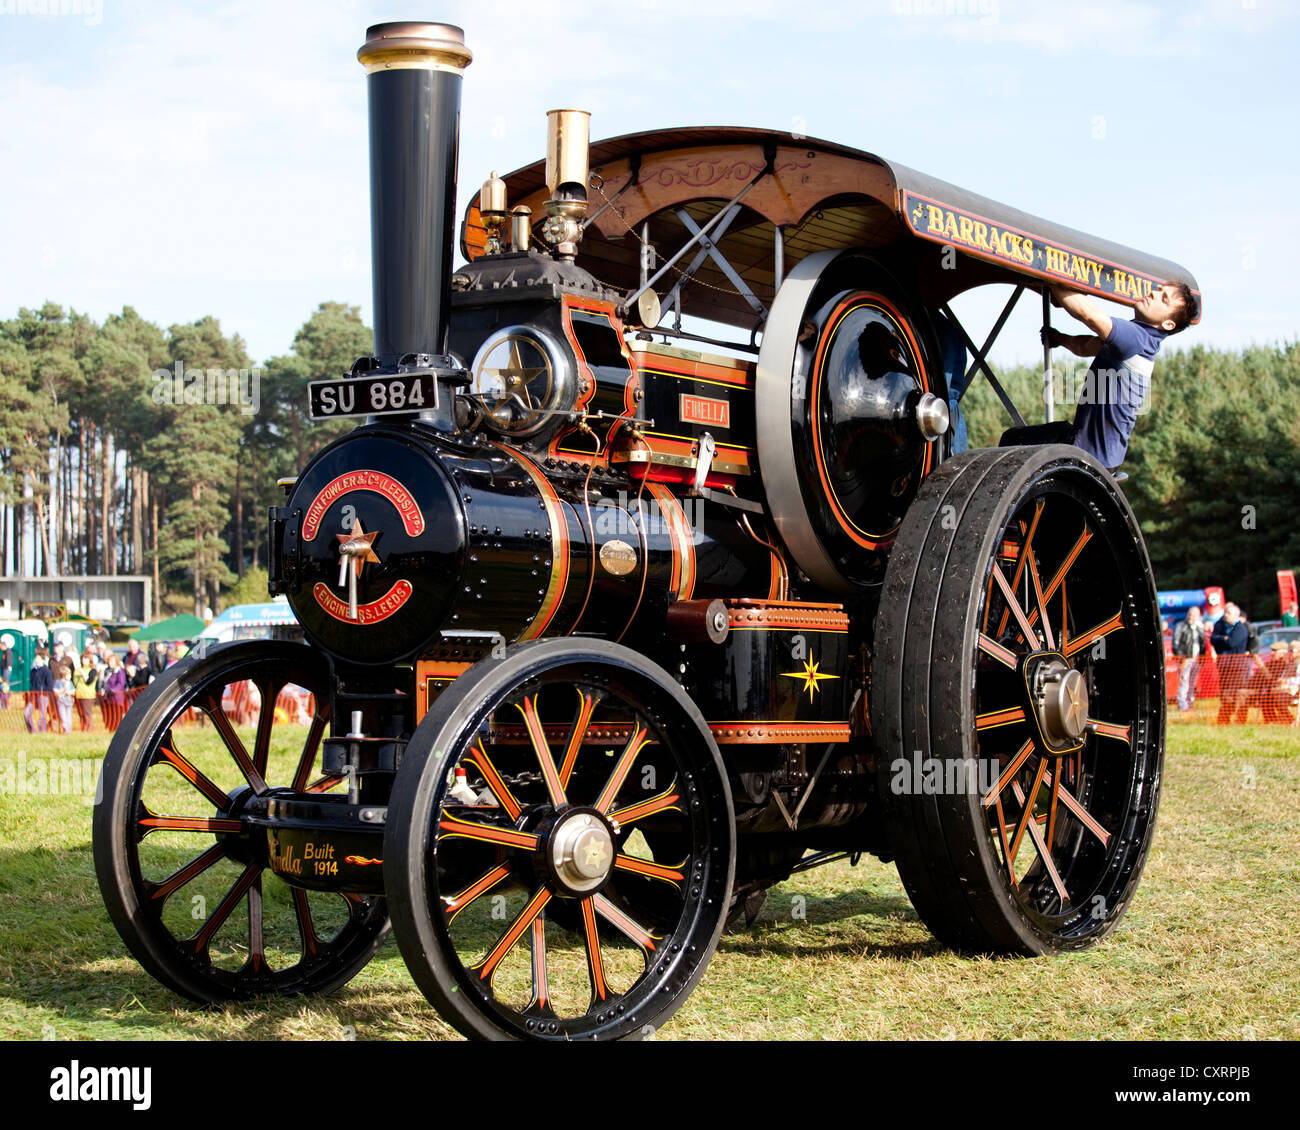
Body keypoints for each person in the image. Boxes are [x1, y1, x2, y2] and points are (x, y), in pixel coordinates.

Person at [1000, 280, 1198, 470]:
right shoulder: (1138, 342)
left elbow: (1088, 314)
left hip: (1091, 456)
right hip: (1091, 446)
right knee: (1041, 435)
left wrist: (1048, 275)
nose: (1154, 293)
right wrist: (1060, 338)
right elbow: (1087, 345)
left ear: (1169, 324)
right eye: (1158, 289)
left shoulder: (1137, 338)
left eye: (1164, 299)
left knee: (1011, 441)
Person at [1212, 603, 1250, 724]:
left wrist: (1222, 640)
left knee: (1234, 694)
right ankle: (1224, 719)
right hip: (1224, 666)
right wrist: (1223, 639)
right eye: (1225, 612)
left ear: (1236, 616)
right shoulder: (1221, 626)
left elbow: (1232, 643)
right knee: (1224, 694)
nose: (1225, 615)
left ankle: (1237, 719)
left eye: (1228, 613)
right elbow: (1213, 640)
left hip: (1236, 668)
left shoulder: (1240, 629)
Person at [1173, 606, 1206, 712]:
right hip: (1185, 659)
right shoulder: (1180, 626)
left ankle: (1189, 703)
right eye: (1190, 614)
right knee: (1184, 681)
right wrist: (1180, 656)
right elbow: (1175, 643)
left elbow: (1203, 643)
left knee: (1192, 682)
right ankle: (1182, 705)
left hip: (1196, 659)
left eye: (1194, 615)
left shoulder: (1198, 627)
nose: (1191, 617)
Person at [24, 648, 54, 733]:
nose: (36, 661)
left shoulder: (47, 671)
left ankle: (42, 731)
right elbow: (31, 683)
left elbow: (49, 685)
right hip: (33, 696)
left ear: (43, 660)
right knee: (26, 713)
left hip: (43, 696)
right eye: (35, 659)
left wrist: (43, 692)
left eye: (38, 659)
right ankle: (32, 731)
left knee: (42, 715)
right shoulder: (33, 671)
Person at [73, 650, 99, 732]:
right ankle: (83, 728)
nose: (84, 660)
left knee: (87, 713)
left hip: (88, 695)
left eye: (86, 659)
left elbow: (89, 682)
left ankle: (89, 728)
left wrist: (83, 674)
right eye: (83, 658)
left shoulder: (93, 670)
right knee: (81, 713)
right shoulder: (78, 670)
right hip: (79, 694)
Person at [52, 662, 75, 734]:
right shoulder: (58, 682)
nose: (70, 676)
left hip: (69, 702)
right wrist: (63, 689)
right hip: (61, 702)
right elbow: (56, 693)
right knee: (63, 717)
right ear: (64, 675)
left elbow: (73, 691)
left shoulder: (70, 683)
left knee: (69, 717)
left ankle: (68, 731)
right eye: (69, 674)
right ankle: (65, 729)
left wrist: (70, 693)